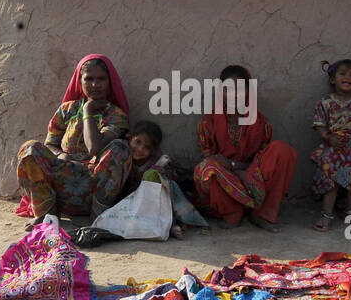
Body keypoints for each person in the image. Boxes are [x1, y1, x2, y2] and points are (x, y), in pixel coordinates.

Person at [17, 54, 132, 226]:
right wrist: (60, 154)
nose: (95, 85)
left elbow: (94, 148)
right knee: (30, 148)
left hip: (94, 187)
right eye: (89, 79)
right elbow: (51, 143)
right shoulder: (67, 110)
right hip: (60, 184)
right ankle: (47, 214)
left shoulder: (115, 115)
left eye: (101, 79)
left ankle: (99, 219)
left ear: (110, 83)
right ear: (80, 81)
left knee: (120, 147)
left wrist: (87, 111)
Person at [193, 64, 296, 233]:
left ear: (249, 91)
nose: (234, 95)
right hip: (225, 181)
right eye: (228, 90)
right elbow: (211, 159)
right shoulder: (208, 122)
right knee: (207, 168)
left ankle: (261, 214)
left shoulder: (261, 124)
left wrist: (235, 166)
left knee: (282, 150)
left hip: (253, 179)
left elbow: (261, 160)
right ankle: (232, 213)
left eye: (240, 90)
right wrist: (231, 168)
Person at [309, 59, 351, 232]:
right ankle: (326, 214)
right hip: (333, 148)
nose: (347, 77)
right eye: (342, 74)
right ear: (333, 79)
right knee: (331, 181)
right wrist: (328, 137)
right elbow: (319, 124)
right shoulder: (325, 103)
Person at [123, 120, 208, 238]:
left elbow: (172, 181)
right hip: (128, 203)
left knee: (161, 182)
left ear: (153, 150)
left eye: (147, 147)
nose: (140, 149)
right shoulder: (122, 156)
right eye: (137, 142)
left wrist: (161, 173)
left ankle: (170, 225)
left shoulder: (157, 162)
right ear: (130, 138)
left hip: (152, 205)